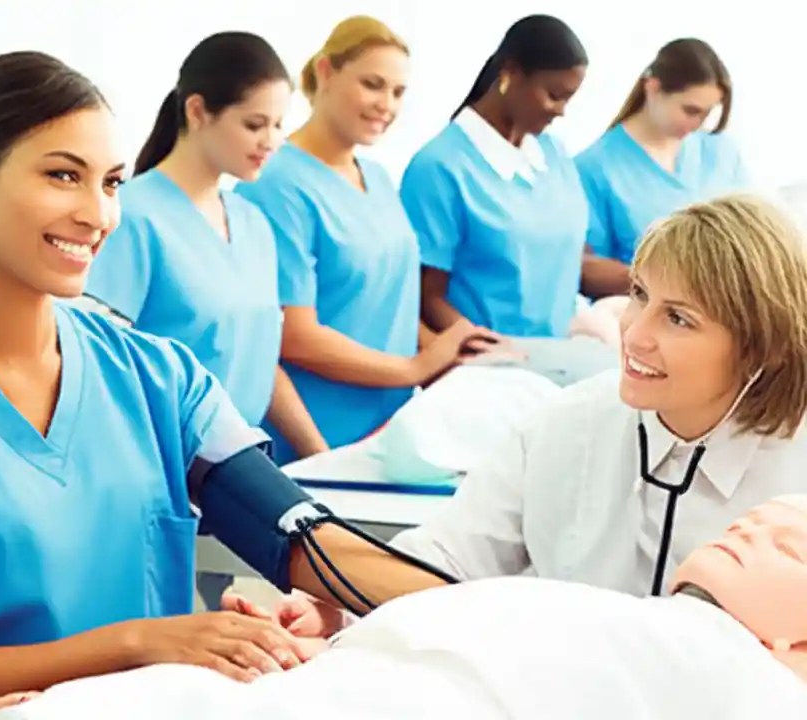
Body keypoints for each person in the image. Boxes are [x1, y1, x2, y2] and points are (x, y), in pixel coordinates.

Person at [0, 50, 442, 720]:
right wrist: (142, 643)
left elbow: (298, 537)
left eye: (109, 183)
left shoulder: (158, 376)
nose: (97, 213)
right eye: (63, 176)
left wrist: (477, 603)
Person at [235, 192, 807, 629]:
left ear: (766, 345)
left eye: (678, 318)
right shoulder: (568, 426)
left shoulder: (794, 471)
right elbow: (450, 557)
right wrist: (340, 607)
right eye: (639, 295)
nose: (635, 334)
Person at [0, 495, 807, 719]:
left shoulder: (754, 684)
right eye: (749, 520)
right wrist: (335, 629)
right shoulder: (605, 614)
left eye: (789, 546)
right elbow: (435, 581)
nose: (750, 530)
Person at [80, 32, 318, 611]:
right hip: (158, 488)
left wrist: (316, 459)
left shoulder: (254, 224)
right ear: (197, 111)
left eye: (280, 125)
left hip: (237, 482)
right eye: (255, 124)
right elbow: (95, 371)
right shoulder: (132, 216)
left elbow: (262, 358)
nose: (272, 142)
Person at [234, 16, 493, 463]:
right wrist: (415, 367)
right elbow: (293, 336)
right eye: (373, 84)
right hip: (315, 442)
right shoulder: (275, 183)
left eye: (398, 92)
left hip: (391, 435)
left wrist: (445, 348)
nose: (386, 105)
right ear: (326, 72)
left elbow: (382, 299)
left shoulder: (376, 177)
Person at [400, 14, 589, 338]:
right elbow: (424, 299)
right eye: (554, 95)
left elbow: (570, 260)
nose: (561, 111)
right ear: (511, 72)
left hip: (558, 357)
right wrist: (485, 348)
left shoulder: (553, 154)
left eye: (569, 99)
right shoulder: (439, 168)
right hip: (487, 366)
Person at [577, 38, 747, 299]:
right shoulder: (594, 167)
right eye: (690, 110)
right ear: (653, 88)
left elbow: (753, 234)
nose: (698, 122)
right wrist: (671, 285)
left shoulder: (721, 152)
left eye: (707, 112)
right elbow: (586, 270)